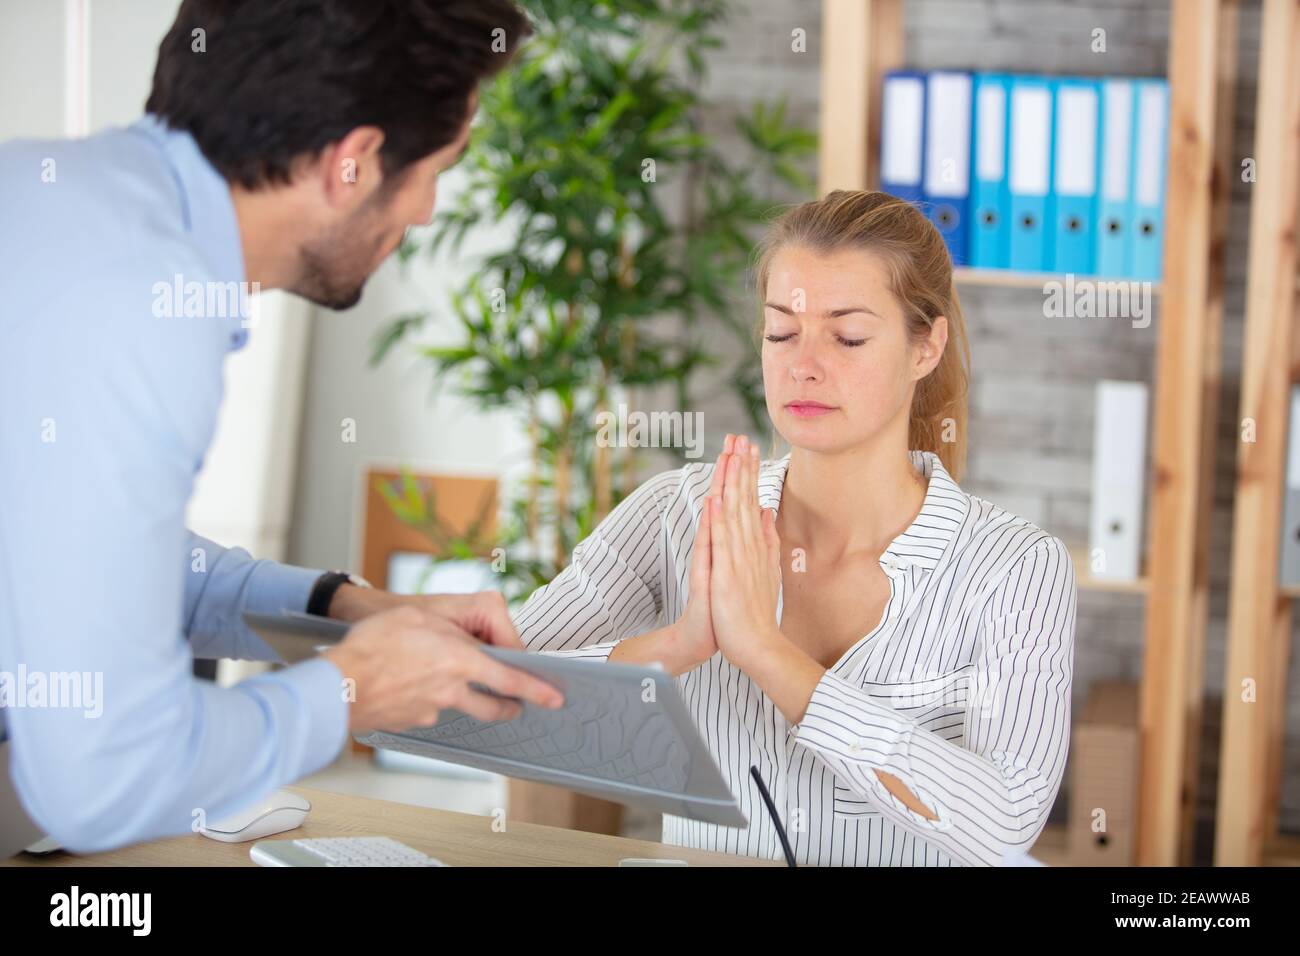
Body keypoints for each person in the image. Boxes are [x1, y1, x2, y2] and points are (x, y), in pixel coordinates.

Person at [0, 0, 562, 855]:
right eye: (437, 171)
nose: (425, 214)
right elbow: (103, 781)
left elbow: (85, 557)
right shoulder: (143, 302)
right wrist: (352, 692)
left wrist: (339, 608)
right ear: (354, 163)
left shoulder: (57, 202)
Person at [514, 190, 1077, 866]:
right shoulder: (678, 512)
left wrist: (771, 657)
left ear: (926, 345)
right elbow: (494, 689)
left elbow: (1005, 820)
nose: (802, 364)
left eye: (848, 336)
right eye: (782, 331)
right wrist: (680, 645)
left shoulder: (1016, 569)